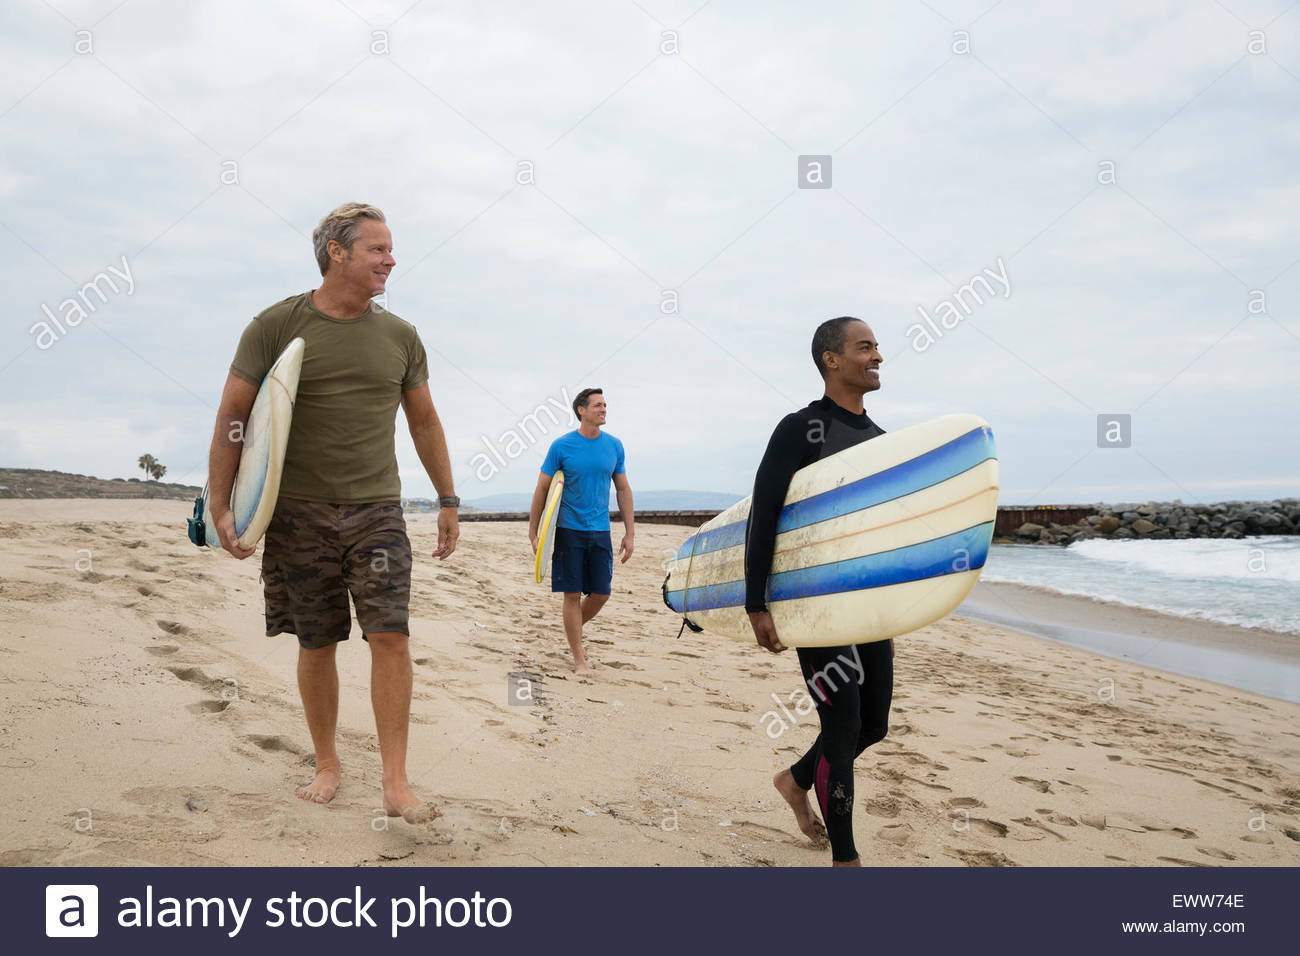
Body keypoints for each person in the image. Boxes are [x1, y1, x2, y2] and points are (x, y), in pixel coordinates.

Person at [207, 202, 459, 824]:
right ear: (337, 252)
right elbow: (236, 417)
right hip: (296, 511)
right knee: (317, 640)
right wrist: (221, 501)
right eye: (377, 249)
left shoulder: (400, 335)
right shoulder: (275, 326)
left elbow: (423, 420)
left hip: (377, 509)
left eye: (390, 249)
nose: (391, 259)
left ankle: (396, 780)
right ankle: (327, 761)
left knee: (390, 633)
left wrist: (448, 500)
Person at [745, 316, 892, 867]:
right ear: (832, 359)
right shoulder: (799, 429)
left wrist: (892, 614)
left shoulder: (880, 441)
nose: (877, 356)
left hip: (868, 607)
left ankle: (795, 778)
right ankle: (846, 860)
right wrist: (756, 601)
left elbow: (881, 537)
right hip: (816, 605)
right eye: (865, 347)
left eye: (876, 348)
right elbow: (766, 514)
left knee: (873, 724)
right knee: (843, 725)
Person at [528, 388, 634, 675]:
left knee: (601, 594)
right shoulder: (562, 447)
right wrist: (534, 530)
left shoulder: (614, 446)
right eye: (598, 405)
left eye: (605, 405)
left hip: (600, 530)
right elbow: (542, 489)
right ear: (581, 410)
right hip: (567, 530)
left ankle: (571, 628)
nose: (603, 409)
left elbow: (622, 489)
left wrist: (630, 532)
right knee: (572, 596)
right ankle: (579, 659)